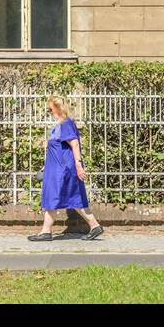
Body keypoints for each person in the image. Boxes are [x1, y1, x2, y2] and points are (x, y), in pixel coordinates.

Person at [28, 94, 104, 242]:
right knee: (60, 197)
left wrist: (78, 165)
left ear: (57, 108)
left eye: (50, 109)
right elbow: (57, 149)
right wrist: (46, 166)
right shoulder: (59, 125)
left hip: (63, 170)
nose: (49, 112)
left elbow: (74, 144)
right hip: (55, 168)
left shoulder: (65, 124)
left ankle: (93, 226)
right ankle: (47, 231)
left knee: (67, 198)